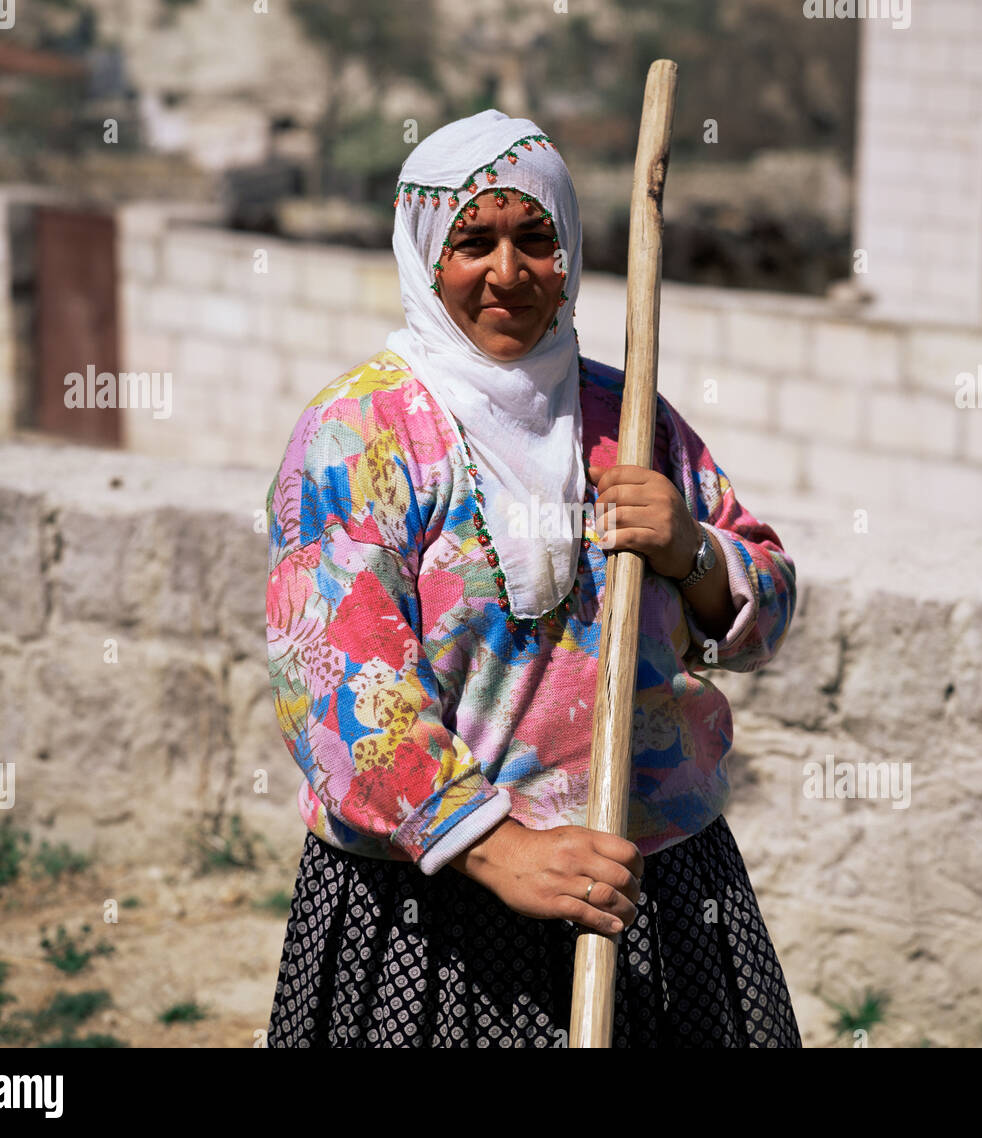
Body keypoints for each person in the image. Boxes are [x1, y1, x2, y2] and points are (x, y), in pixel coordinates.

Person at [264, 108, 801, 1047]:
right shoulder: (360, 437)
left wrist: (691, 550)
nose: (507, 273)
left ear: (571, 253)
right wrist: (501, 851)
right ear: (427, 259)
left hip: (653, 890)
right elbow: (340, 696)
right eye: (473, 242)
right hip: (441, 910)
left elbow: (767, 607)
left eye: (535, 239)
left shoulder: (630, 419)